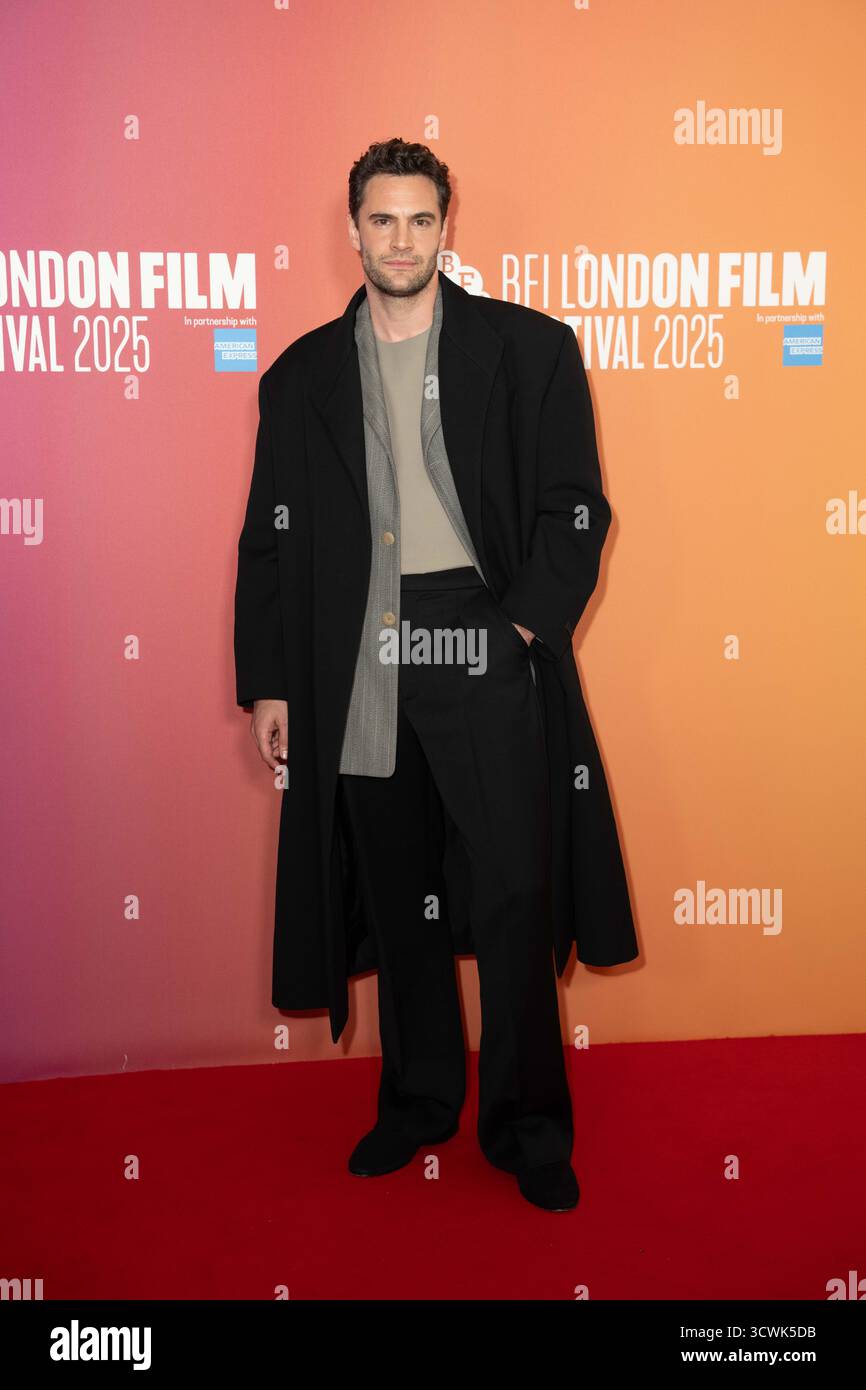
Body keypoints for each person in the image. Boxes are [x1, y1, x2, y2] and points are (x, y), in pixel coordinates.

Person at [234, 137, 638, 1212]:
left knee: (512, 889)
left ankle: (527, 1124)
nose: (400, 239)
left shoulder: (529, 349)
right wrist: (273, 683)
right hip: (356, 651)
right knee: (397, 887)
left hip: (477, 635)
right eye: (381, 220)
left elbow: (575, 511)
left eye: (419, 220)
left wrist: (515, 633)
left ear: (446, 227)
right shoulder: (299, 376)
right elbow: (267, 542)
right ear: (351, 230)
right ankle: (416, 1102)